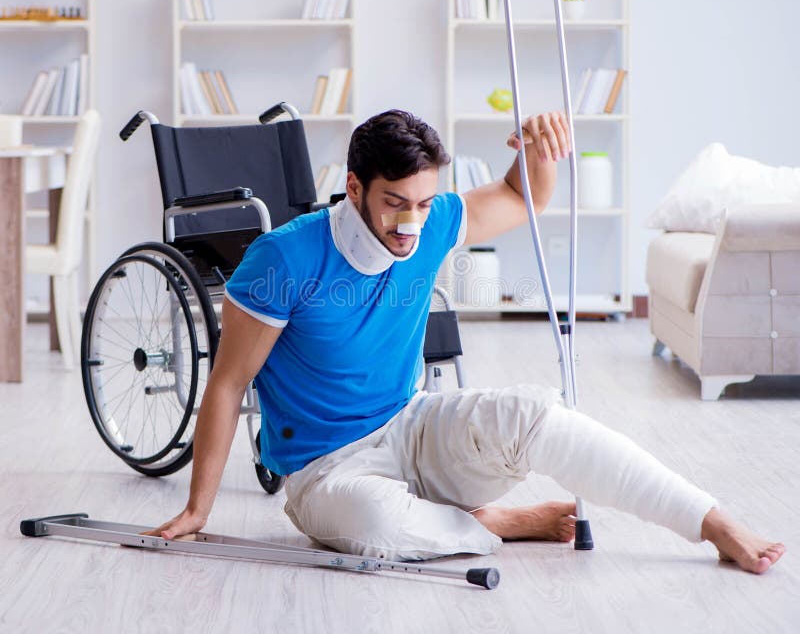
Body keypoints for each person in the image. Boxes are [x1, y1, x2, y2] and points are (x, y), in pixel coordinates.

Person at [148, 109, 784, 574]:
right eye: (395, 202)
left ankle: (712, 521)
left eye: (425, 203)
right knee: (376, 523)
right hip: (325, 469)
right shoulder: (282, 258)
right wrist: (199, 509)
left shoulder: (430, 222)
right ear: (354, 187)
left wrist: (534, 149)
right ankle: (491, 523)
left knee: (534, 415)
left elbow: (519, 196)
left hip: (410, 424)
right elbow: (228, 384)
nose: (411, 223)